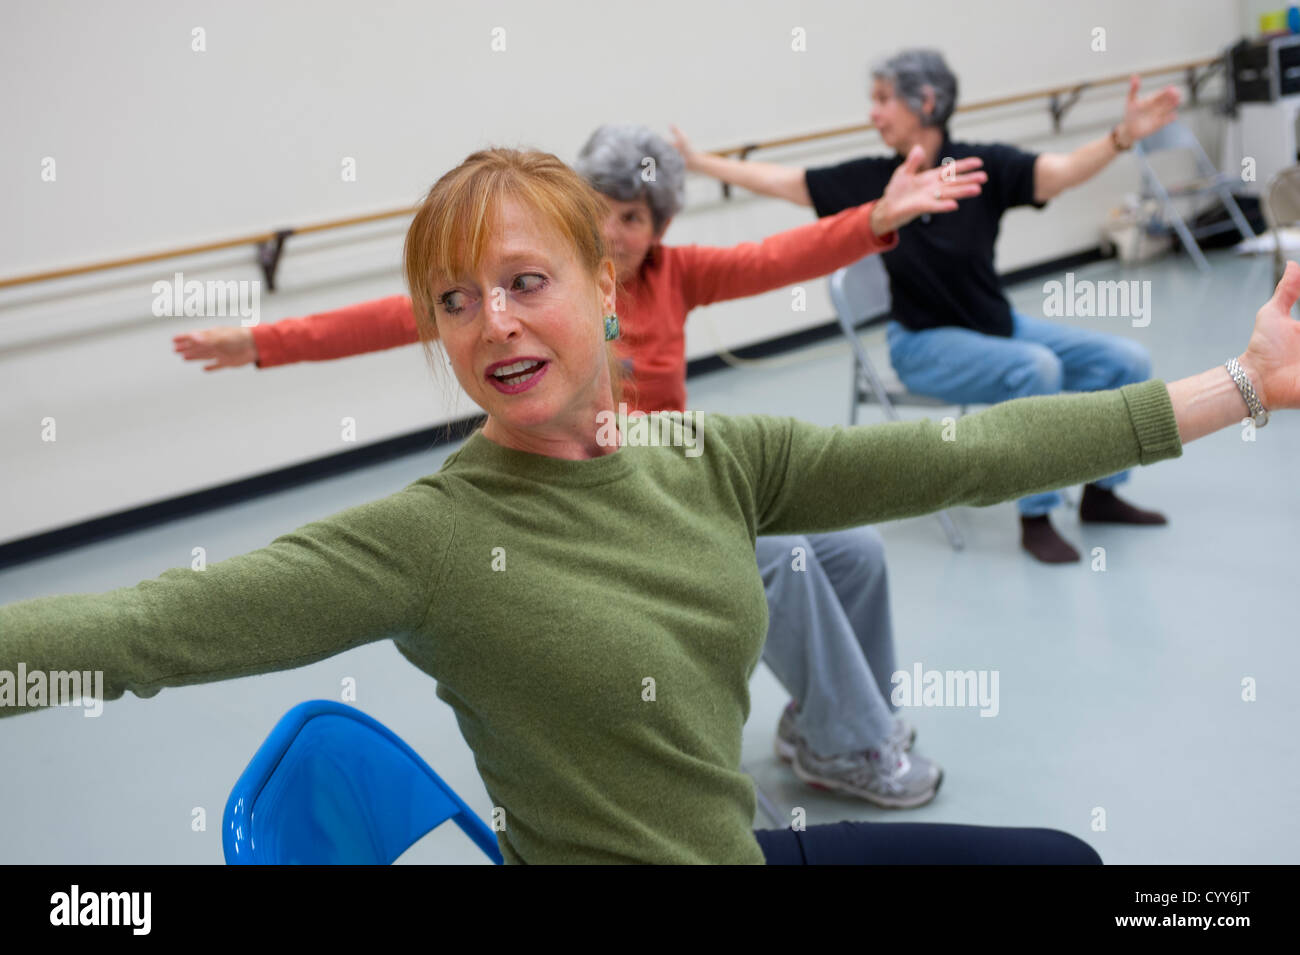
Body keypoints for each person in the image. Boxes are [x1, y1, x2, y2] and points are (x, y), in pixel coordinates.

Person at [7, 147, 1295, 864]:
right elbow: (148, 630)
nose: (492, 320)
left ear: (608, 290)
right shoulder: (427, 541)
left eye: (521, 280)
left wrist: (1239, 384)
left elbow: (965, 450)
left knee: (1074, 871)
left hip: (733, 851)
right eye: (455, 301)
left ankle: (842, 743)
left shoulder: (704, 457)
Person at [171, 124, 988, 808]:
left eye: (632, 215)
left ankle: (840, 722)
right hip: (612, 515)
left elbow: (779, 255)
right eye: (600, 211)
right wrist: (257, 344)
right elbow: (383, 318)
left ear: (656, 227)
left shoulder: (678, 275)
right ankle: (853, 743)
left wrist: (875, 217)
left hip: (680, 482)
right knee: (794, 559)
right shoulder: (538, 287)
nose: (616, 229)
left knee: (857, 549)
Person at [671, 49, 1184, 564]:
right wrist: (696, 162)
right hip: (922, 345)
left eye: (883, 99)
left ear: (927, 102)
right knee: (1037, 368)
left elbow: (1062, 171)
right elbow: (787, 183)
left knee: (1126, 362)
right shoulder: (876, 179)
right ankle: (1037, 514)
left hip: (995, 326)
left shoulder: (980, 166)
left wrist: (1121, 137)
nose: (872, 113)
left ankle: (1102, 494)